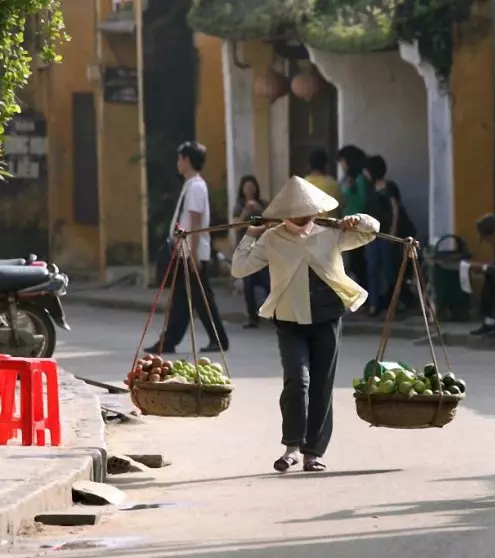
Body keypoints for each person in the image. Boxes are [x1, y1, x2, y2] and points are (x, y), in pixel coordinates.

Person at [231, 176, 380, 473]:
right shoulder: (272, 238)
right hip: (289, 320)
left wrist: (356, 219)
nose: (304, 216)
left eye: (309, 211)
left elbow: (372, 231)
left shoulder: (331, 232)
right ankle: (292, 448)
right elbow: (239, 267)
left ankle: (314, 452)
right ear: (286, 213)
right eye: (298, 211)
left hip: (327, 316)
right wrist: (250, 234)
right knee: (297, 381)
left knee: (322, 385)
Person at [145, 141, 230, 354]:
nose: (178, 163)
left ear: (187, 160)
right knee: (183, 301)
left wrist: (192, 254)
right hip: (186, 251)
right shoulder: (191, 184)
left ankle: (217, 339)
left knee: (201, 300)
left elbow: (195, 221)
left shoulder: (196, 186)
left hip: (190, 252)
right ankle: (169, 341)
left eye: (180, 159)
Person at [232, 175, 270, 329]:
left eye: (252, 187)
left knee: (268, 283)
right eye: (247, 188)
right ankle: (252, 317)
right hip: (247, 250)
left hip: (263, 249)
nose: (250, 190)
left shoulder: (263, 204)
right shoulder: (239, 206)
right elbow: (236, 227)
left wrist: (260, 210)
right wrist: (245, 212)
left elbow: (272, 221)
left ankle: (274, 314)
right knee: (249, 286)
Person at [363, 155, 398, 316]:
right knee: (372, 269)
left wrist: (393, 230)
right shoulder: (369, 188)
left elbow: (395, 209)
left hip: (385, 234)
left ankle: (392, 302)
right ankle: (374, 304)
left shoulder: (389, 187)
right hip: (371, 234)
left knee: (388, 269)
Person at [337, 145, 371, 288]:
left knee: (357, 263)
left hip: (357, 226)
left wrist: (349, 194)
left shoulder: (359, 179)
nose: (341, 165)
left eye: (342, 161)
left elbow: (363, 203)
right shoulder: (347, 179)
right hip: (346, 226)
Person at [304, 148, 341, 218]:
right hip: (330, 226)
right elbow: (341, 208)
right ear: (326, 165)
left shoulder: (302, 184)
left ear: (309, 165)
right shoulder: (333, 184)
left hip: (309, 227)